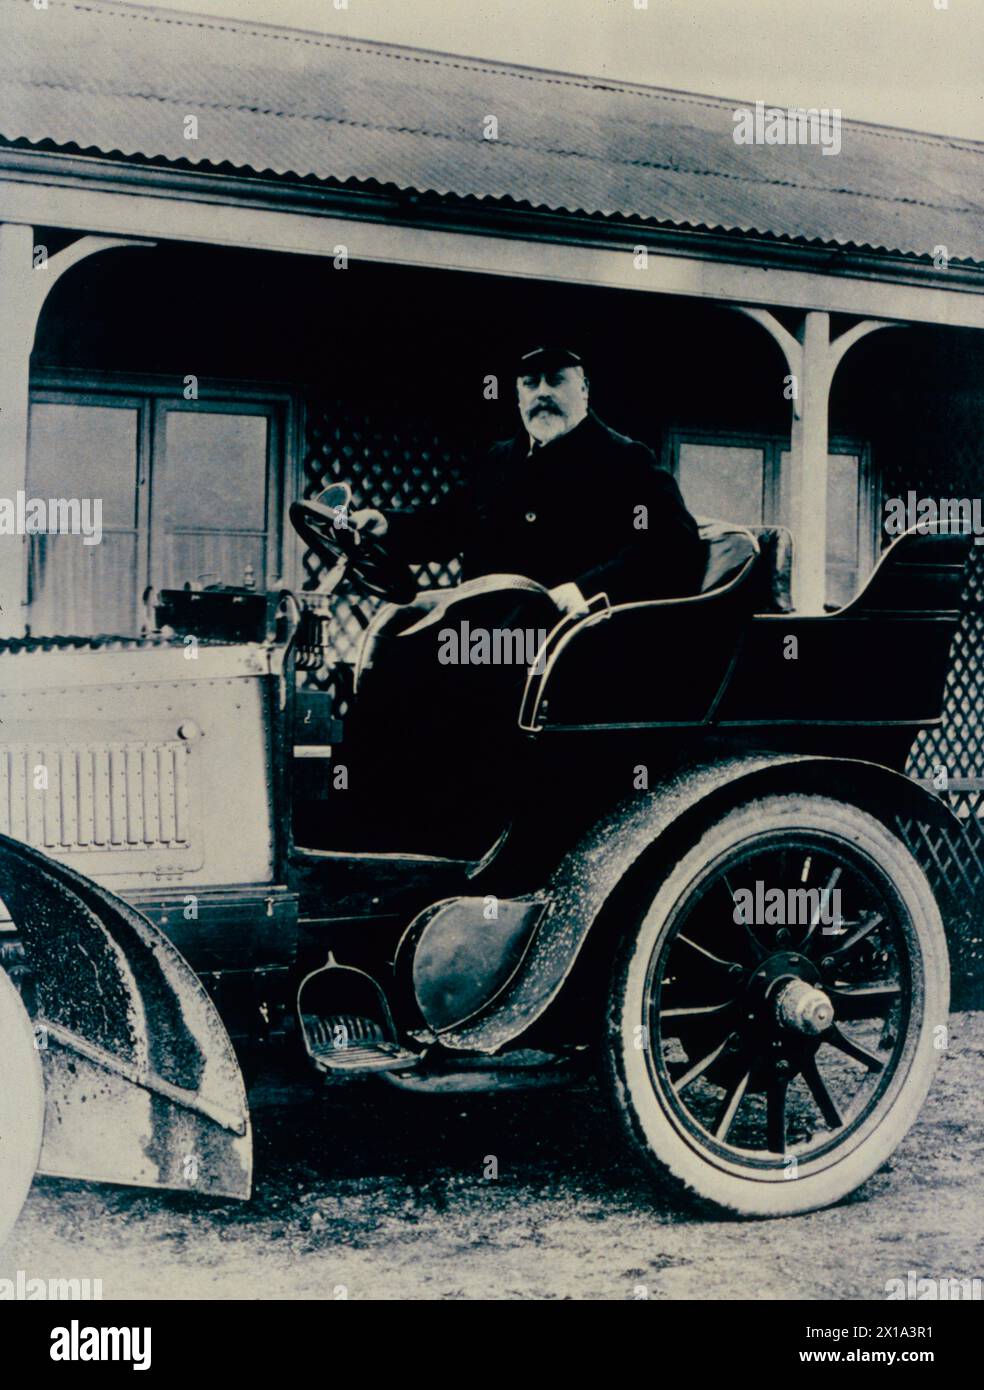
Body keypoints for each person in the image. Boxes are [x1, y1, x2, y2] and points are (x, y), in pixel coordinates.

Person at [351, 347, 705, 609]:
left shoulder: (625, 460)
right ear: (519, 397)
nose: (542, 393)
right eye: (530, 383)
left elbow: (673, 546)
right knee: (396, 655)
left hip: (573, 645)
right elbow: (447, 524)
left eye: (555, 380)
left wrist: (584, 590)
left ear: (584, 389)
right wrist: (386, 525)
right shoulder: (499, 460)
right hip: (485, 638)